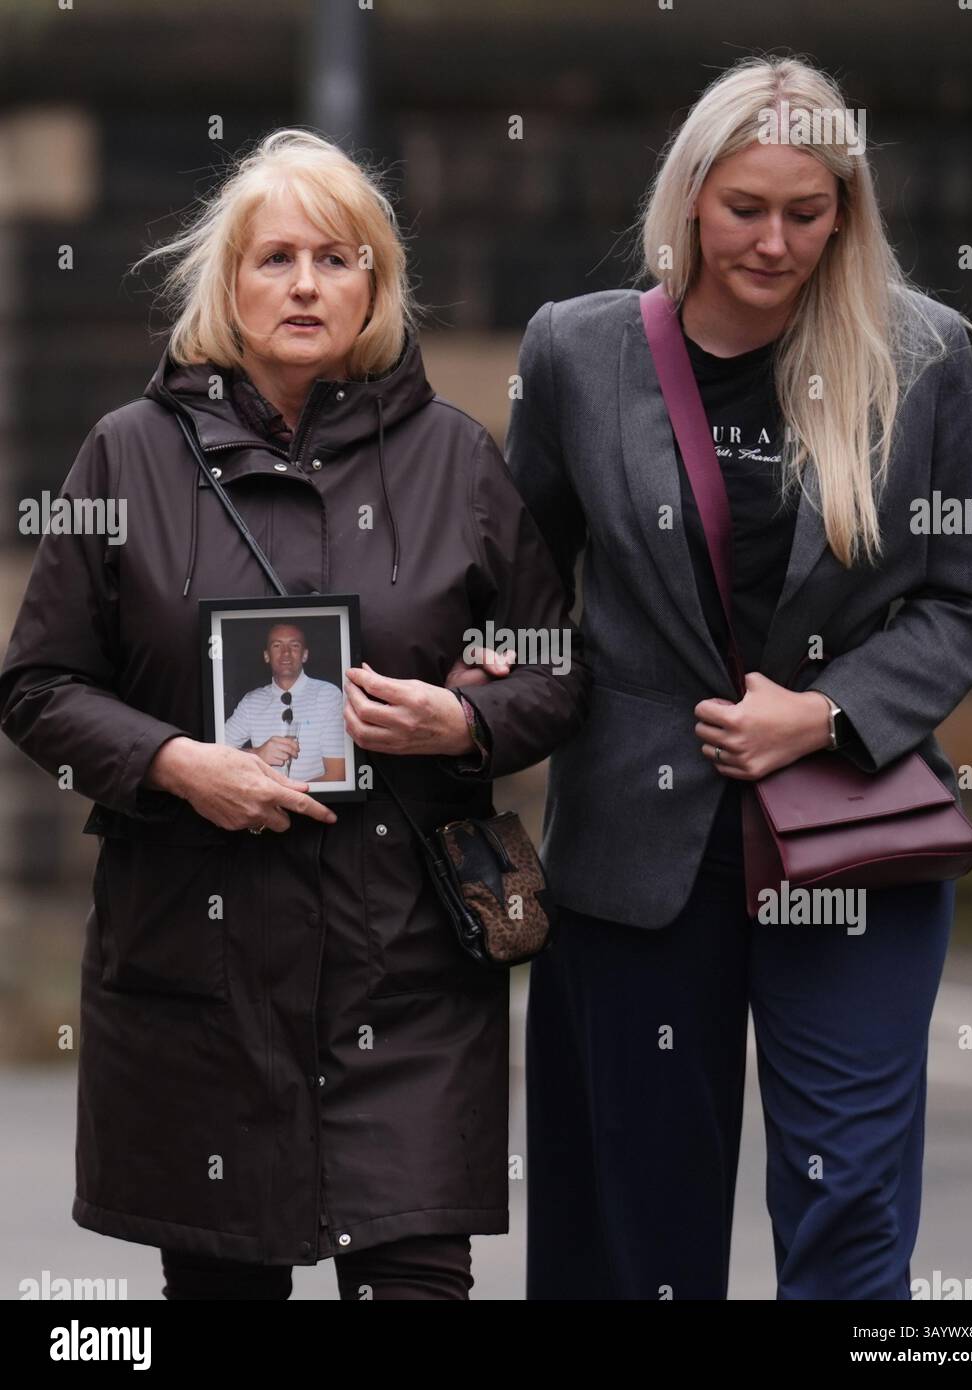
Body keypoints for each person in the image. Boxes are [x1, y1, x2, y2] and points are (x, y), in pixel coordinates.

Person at [0, 128, 589, 1300]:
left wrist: (458, 725)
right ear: (227, 283)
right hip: (199, 963)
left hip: (407, 961)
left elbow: (556, 671)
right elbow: (38, 683)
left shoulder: (456, 460)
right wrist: (172, 761)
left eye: (338, 256)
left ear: (378, 282)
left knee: (418, 1276)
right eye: (275, 258)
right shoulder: (128, 456)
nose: (307, 284)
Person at [503, 56, 972, 1299]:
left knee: (849, 1205)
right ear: (688, 198)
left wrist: (826, 713)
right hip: (636, 850)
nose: (775, 241)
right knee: (637, 1227)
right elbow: (522, 581)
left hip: (853, 843)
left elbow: (963, 600)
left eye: (806, 210)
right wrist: (484, 675)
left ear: (846, 209)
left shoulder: (925, 355)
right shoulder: (577, 352)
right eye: (745, 208)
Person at [223, 622, 347, 782]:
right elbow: (216, 752)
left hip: (313, 804)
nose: (286, 653)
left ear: (305, 655)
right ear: (266, 656)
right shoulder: (251, 701)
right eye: (277, 645)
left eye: (294, 645)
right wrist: (256, 754)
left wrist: (282, 797)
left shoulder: (328, 695)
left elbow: (338, 775)